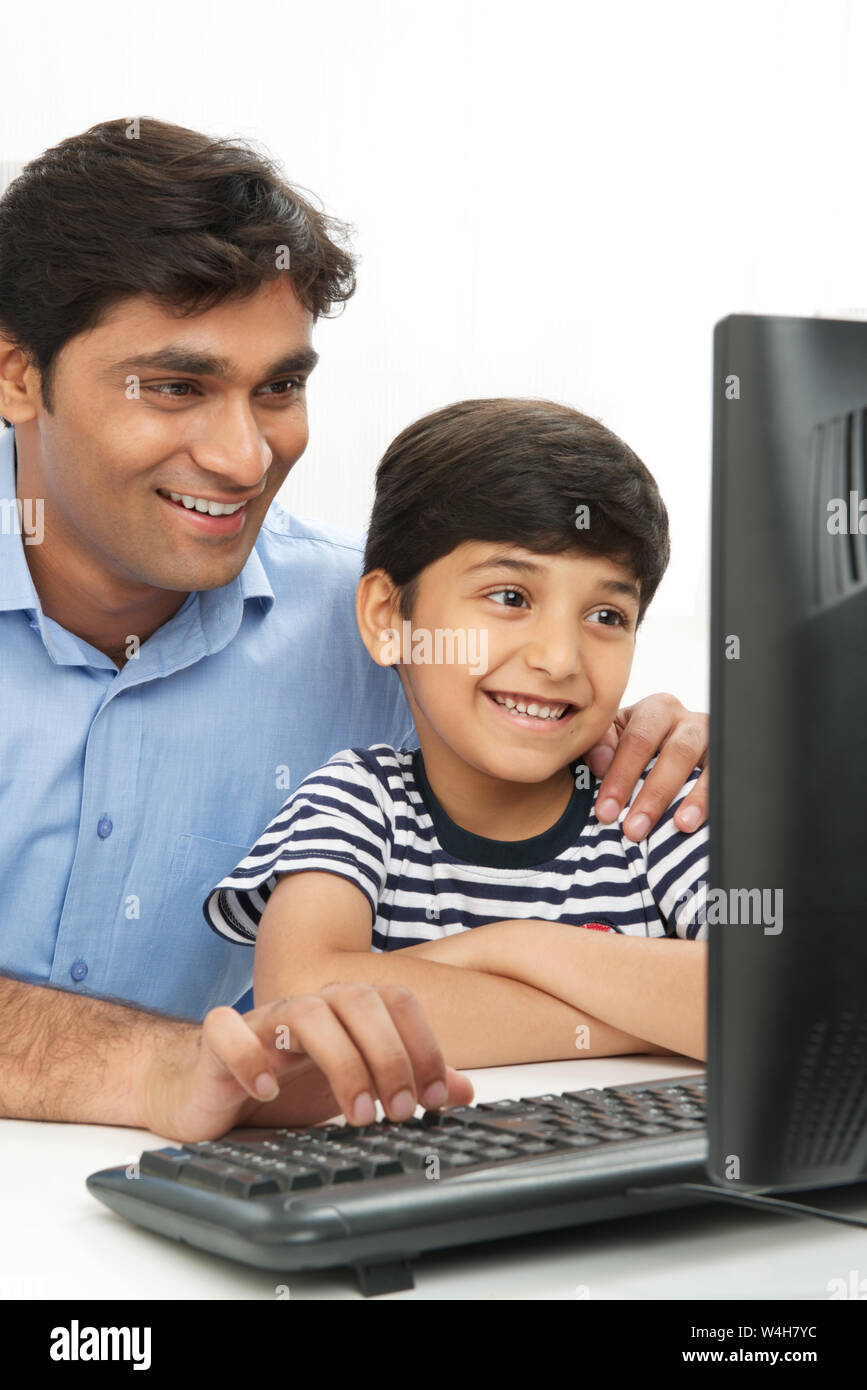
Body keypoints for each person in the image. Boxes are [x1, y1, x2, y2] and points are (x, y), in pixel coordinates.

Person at [0, 117, 709, 1143]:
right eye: (177, 386)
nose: (246, 457)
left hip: (235, 1217)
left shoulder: (399, 628)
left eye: (281, 386)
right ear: (18, 373)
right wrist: (148, 1068)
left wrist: (676, 755)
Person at [204, 398, 708, 1063]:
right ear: (389, 617)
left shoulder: (654, 806)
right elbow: (301, 1000)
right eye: (509, 597)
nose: (558, 658)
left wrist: (514, 945)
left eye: (607, 615)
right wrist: (659, 1019)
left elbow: (800, 997)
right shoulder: (359, 802)